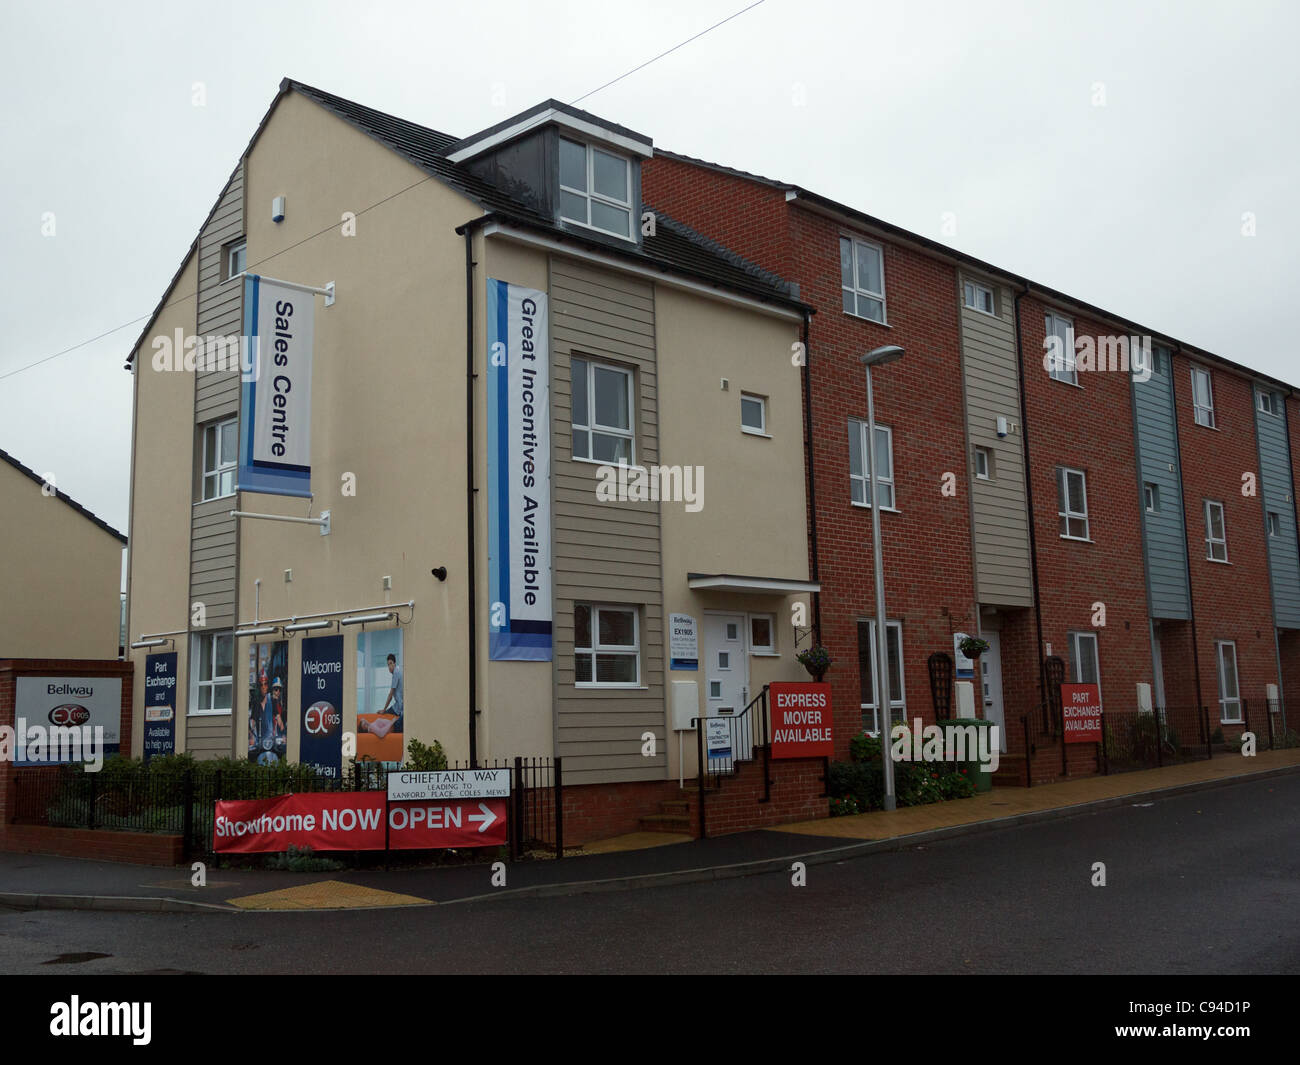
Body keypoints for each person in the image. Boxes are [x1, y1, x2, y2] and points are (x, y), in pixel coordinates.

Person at [380, 652, 403, 733]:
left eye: (391, 663)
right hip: (397, 706)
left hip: (401, 708)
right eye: (388, 664)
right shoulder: (396, 673)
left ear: (395, 663)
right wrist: (384, 710)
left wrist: (384, 709)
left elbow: (390, 694)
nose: (389, 666)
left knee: (395, 726)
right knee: (383, 714)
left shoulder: (396, 673)